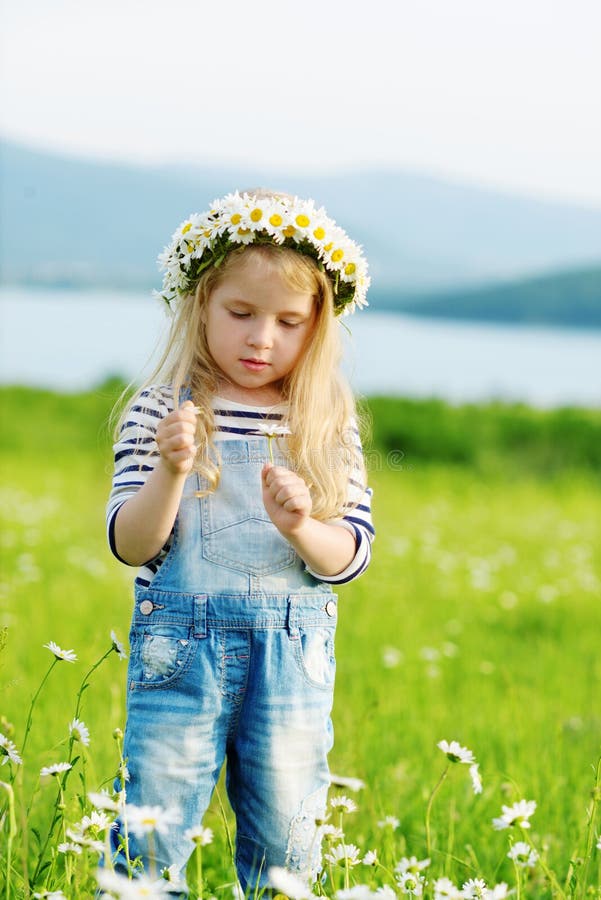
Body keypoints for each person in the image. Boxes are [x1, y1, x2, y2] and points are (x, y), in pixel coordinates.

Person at [106, 189, 374, 892]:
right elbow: (133, 546)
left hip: (292, 656)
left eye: (289, 322)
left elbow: (349, 556)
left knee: (287, 836)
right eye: (241, 314)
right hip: (180, 651)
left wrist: (302, 527)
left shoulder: (322, 419)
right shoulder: (163, 408)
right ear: (200, 304)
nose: (262, 339)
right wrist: (170, 471)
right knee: (153, 822)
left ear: (318, 326)